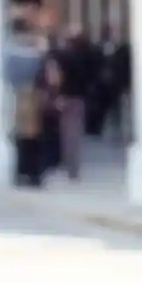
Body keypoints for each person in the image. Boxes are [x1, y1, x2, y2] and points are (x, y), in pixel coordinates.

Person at [51, 27, 90, 181]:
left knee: (67, 134)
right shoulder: (85, 57)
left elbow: (57, 79)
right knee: (75, 133)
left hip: (66, 98)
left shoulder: (62, 58)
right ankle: (74, 167)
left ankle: (69, 166)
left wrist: (58, 95)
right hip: (79, 98)